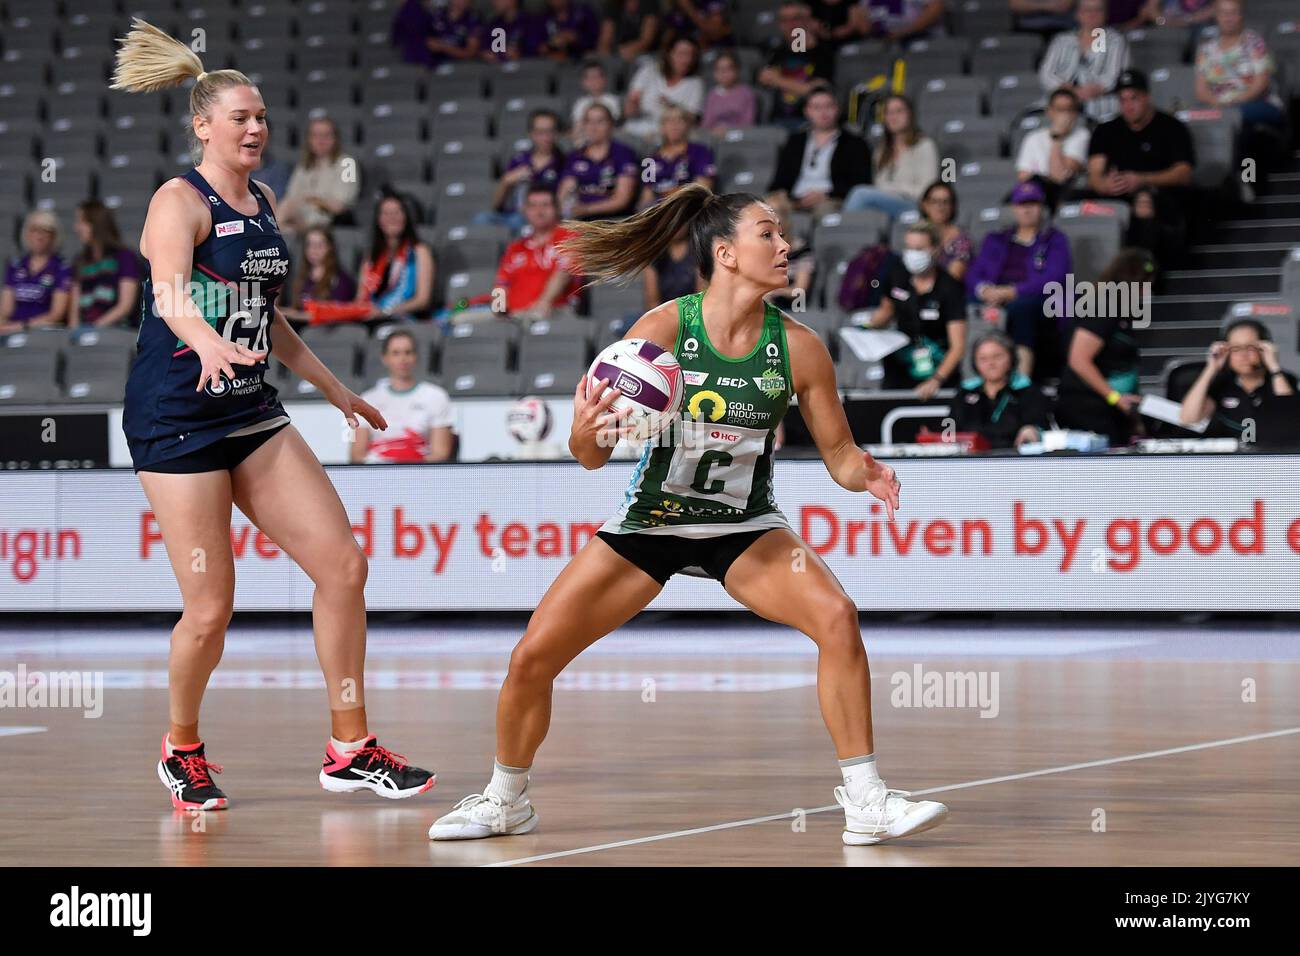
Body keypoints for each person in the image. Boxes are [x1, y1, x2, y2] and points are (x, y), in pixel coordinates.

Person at [428, 183, 948, 846]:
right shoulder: (665, 329)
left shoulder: (799, 348)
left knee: (837, 617)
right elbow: (590, 455)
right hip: (652, 523)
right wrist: (586, 431)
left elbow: (840, 456)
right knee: (532, 656)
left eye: (782, 234)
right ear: (726, 253)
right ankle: (506, 802)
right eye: (768, 234)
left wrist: (865, 473)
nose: (785, 245)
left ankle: (868, 801)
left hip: (744, 527)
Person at [110, 19, 435, 810]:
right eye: (241, 118)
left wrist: (333, 388)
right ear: (203, 126)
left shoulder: (260, 200)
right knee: (210, 608)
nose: (256, 129)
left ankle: (349, 748)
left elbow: (270, 316)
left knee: (344, 568)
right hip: (177, 418)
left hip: (253, 410)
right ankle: (182, 748)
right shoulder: (176, 201)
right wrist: (204, 342)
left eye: (261, 117)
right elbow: (169, 293)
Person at [1086, 68, 1195, 264]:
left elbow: (1184, 173)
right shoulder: (1105, 130)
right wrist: (1105, 185)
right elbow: (1095, 173)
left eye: (1133, 98)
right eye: (1122, 100)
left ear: (1147, 97)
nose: (1128, 106)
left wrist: (1141, 180)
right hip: (1118, 194)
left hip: (1161, 194)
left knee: (1145, 203)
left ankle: (1145, 273)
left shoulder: (1172, 127)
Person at [966, 180, 1072, 379]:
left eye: (1033, 204)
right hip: (994, 294)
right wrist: (984, 290)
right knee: (966, 305)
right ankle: (971, 376)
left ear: (1042, 208)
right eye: (1022, 204)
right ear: (1014, 209)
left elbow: (1055, 277)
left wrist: (1013, 291)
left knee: (1021, 309)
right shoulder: (995, 239)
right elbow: (974, 274)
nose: (1027, 210)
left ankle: (1022, 378)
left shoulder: (1054, 239)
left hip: (1035, 299)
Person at [1055, 247, 1150, 444]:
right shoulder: (1102, 306)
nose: (1146, 292)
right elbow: (1079, 360)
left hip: (1110, 408)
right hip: (1088, 407)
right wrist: (1115, 398)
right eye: (1144, 286)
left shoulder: (1121, 312)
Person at [866, 222, 967, 397]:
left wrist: (936, 380)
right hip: (900, 366)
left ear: (935, 249)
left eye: (919, 249)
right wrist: (868, 326)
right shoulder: (896, 275)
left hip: (938, 370)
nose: (912, 254)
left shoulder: (950, 288)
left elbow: (958, 346)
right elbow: (886, 311)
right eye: (909, 248)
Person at [1179, 319, 1297, 438]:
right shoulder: (1222, 383)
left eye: (1250, 347)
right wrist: (1211, 369)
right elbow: (1188, 418)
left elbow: (1290, 418)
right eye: (1235, 348)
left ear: (1264, 349)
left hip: (1273, 448)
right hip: (1230, 449)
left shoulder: (1282, 380)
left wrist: (1273, 366)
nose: (1243, 355)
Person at [767, 86, 872, 219]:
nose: (823, 112)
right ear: (807, 111)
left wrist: (826, 195)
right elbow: (778, 182)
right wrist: (791, 200)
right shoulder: (795, 142)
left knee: (825, 210)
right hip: (795, 200)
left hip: (831, 199)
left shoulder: (855, 143)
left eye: (828, 106)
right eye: (817, 107)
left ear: (838, 109)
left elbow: (860, 184)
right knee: (769, 207)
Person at [352, 329, 455, 463]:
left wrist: (409, 467)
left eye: (408, 352)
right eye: (396, 353)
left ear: (416, 357)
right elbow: (357, 454)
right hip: (377, 471)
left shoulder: (436, 396)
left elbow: (440, 453)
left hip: (420, 470)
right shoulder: (368, 399)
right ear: (385, 358)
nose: (403, 359)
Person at [494, 184, 583, 321]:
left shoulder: (569, 237)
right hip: (513, 315)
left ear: (557, 209)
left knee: (535, 317)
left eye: (545, 205)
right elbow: (501, 284)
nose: (539, 211)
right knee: (462, 320)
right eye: (533, 206)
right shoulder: (515, 248)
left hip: (554, 311)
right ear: (525, 210)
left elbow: (563, 274)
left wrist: (543, 303)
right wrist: (498, 311)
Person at [1194, 0, 1286, 132]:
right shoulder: (1206, 48)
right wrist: (1217, 104)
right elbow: (1201, 91)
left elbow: (1261, 84)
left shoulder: (1255, 43)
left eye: (1233, 12)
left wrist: (1232, 103)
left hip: (1256, 104)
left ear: (1241, 15)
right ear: (1216, 15)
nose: (1228, 18)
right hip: (1218, 106)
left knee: (1232, 115)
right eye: (1223, 13)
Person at [842, 94, 938, 220]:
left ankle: (843, 228)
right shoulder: (881, 150)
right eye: (889, 113)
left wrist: (893, 189)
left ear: (910, 115)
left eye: (899, 111)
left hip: (914, 204)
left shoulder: (924, 145)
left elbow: (928, 189)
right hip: (886, 203)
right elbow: (878, 184)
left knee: (860, 194)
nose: (893, 117)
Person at [954, 331, 1054, 449]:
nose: (991, 364)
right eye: (983, 359)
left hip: (1015, 456)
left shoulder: (1028, 391)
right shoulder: (965, 392)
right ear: (974, 363)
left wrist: (1032, 431)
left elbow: (1040, 426)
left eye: (997, 357)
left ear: (1011, 358)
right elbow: (951, 429)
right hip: (969, 457)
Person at [1038, 0, 1129, 122]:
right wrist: (1064, 89)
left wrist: (1089, 90)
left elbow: (1113, 76)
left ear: (1105, 14)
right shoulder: (1062, 40)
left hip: (1101, 104)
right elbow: (1046, 73)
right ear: (1077, 14)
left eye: (1098, 10)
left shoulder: (1115, 40)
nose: (1092, 14)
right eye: (1086, 9)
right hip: (1061, 101)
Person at [478, 109, 567, 233]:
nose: (546, 137)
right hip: (516, 214)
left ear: (557, 134)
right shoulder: (519, 159)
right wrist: (506, 181)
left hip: (546, 217)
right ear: (531, 134)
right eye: (540, 132)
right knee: (482, 219)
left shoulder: (564, 161)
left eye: (550, 131)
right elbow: (495, 205)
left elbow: (564, 202)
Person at [354, 191, 436, 320]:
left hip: (404, 319)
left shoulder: (420, 251)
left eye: (397, 212)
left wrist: (385, 312)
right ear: (378, 220)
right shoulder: (371, 256)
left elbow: (422, 300)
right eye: (386, 213)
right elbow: (360, 297)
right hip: (371, 319)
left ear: (405, 217)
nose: (392, 218)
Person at [278, 117, 360, 238]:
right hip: (301, 219)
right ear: (309, 140)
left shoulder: (348, 163)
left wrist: (310, 198)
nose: (321, 140)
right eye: (315, 135)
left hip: (330, 221)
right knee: (283, 214)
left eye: (326, 135)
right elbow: (291, 197)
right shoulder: (303, 166)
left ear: (335, 139)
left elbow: (340, 206)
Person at [760, 2, 835, 130]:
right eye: (784, 20)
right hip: (776, 123)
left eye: (795, 18)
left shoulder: (824, 53)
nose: (790, 24)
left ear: (807, 20)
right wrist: (796, 86)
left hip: (810, 124)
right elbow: (764, 79)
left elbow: (815, 91)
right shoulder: (777, 53)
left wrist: (777, 80)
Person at [557, 103, 639, 220]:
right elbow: (564, 195)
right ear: (583, 125)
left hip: (614, 221)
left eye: (600, 121)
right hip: (579, 221)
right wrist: (567, 209)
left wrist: (586, 209)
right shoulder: (574, 156)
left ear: (611, 125)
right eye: (589, 121)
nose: (593, 127)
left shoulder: (624, 154)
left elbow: (622, 200)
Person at [68, 200, 141, 329]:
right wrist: (74, 333)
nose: (76, 228)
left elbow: (125, 306)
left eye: (82, 222)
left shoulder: (125, 257)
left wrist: (94, 329)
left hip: (118, 331)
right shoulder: (80, 260)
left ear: (96, 224)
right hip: (84, 332)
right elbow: (74, 311)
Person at [1015, 88, 1091, 207]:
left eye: (1069, 109)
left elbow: (1059, 177)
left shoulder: (1082, 135)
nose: (1065, 115)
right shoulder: (1033, 138)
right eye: (1060, 109)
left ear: (1076, 113)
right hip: (1036, 196)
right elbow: (1023, 178)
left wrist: (1057, 138)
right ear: (1049, 111)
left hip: (1064, 196)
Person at [0, 210, 71, 334]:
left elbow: (56, 314)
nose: (39, 236)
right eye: (34, 230)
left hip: (42, 333)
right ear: (26, 234)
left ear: (54, 236)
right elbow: (5, 310)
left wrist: (22, 326)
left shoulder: (61, 268)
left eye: (45, 231)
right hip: (12, 330)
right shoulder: (15, 266)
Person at [622, 37, 705, 142]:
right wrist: (632, 105)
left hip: (672, 133)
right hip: (640, 126)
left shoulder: (696, 83)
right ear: (669, 54)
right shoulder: (649, 71)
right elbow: (629, 111)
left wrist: (671, 106)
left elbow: (691, 119)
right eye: (681, 54)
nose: (685, 60)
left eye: (690, 55)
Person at [639, 105, 718, 208]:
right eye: (669, 121)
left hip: (688, 208)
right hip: (658, 210)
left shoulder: (700, 152)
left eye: (680, 121)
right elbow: (646, 196)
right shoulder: (650, 159)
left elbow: (703, 191)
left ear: (688, 125)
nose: (674, 125)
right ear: (662, 127)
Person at [281, 226, 358, 324]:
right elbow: (296, 309)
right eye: (309, 245)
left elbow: (337, 313)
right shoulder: (302, 276)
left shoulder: (341, 280)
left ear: (330, 247)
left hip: (326, 329)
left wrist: (297, 315)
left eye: (319, 245)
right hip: (300, 327)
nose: (313, 250)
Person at [918, 181, 973, 283]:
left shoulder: (961, 240)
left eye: (946, 201)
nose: (940, 206)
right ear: (925, 205)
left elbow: (953, 276)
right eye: (935, 201)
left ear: (952, 206)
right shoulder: (916, 234)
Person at [643, 224, 702, 306]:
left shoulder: (698, 252)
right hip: (661, 310)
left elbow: (700, 296)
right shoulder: (654, 256)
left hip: (693, 310)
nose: (676, 226)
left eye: (680, 222)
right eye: (672, 222)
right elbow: (652, 301)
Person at [701, 50, 757, 134]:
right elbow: (706, 123)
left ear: (737, 70)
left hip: (738, 136)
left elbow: (748, 123)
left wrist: (728, 130)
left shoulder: (747, 93)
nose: (723, 73)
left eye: (728, 69)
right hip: (715, 136)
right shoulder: (712, 95)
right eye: (719, 69)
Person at [847, 0, 944, 42]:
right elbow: (864, 27)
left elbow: (935, 9)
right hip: (881, 41)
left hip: (921, 38)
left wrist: (906, 31)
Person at [479, 0, 544, 61]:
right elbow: (483, 50)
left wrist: (519, 53)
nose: (494, 2)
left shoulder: (530, 22)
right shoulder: (493, 24)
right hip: (495, 68)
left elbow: (537, 50)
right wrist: (485, 55)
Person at [423, 0, 482, 66]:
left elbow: (470, 53)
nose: (461, 2)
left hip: (459, 64)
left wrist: (442, 47)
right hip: (429, 61)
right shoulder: (436, 14)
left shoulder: (474, 21)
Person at [570, 60, 622, 133]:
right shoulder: (580, 103)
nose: (594, 80)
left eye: (597, 77)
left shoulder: (613, 100)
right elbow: (577, 127)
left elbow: (614, 125)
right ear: (584, 82)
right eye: (590, 78)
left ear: (605, 79)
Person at [660, 0, 734, 51]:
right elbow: (667, 41)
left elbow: (716, 31)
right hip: (690, 54)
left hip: (720, 49)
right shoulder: (677, 13)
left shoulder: (713, 2)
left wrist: (689, 9)